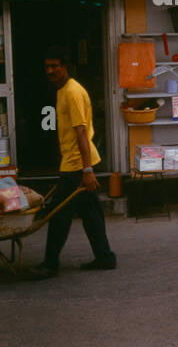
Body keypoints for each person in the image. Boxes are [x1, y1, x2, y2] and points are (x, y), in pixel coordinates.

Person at [24, 46, 116, 280]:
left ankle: (50, 264)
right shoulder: (62, 90)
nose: (50, 70)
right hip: (74, 162)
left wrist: (87, 170)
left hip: (76, 165)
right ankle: (105, 257)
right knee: (91, 212)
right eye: (47, 66)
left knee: (58, 215)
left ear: (66, 67)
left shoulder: (72, 93)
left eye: (55, 66)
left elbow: (81, 133)